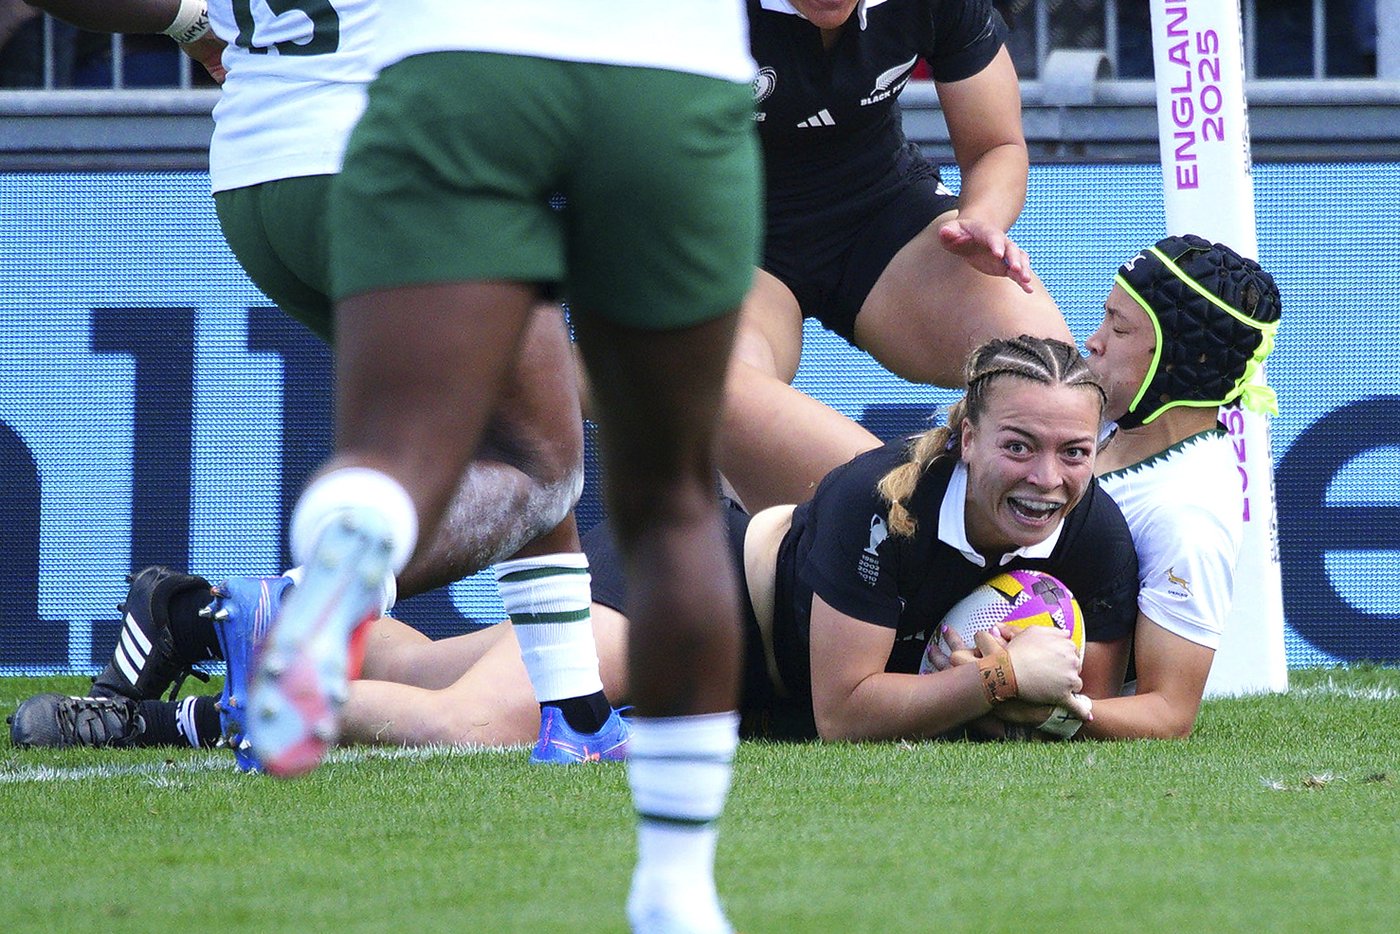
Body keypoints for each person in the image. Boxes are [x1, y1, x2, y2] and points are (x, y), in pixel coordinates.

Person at [235, 3, 761, 931]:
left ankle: (353, 558)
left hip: (454, 66)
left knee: (405, 451)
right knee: (672, 498)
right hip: (666, 62)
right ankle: (678, 890)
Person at [18, 0, 627, 769]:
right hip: (413, 156)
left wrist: (185, 21)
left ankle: (577, 716)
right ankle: (289, 611)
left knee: (507, 444)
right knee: (546, 466)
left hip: (263, 179)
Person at [27, 336, 1138, 754]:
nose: (1046, 479)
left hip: (730, 680)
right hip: (673, 600)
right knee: (471, 726)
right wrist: (996, 676)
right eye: (1019, 446)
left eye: (1072, 453)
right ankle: (181, 719)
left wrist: (1050, 702)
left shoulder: (1091, 523)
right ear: (962, 433)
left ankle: (200, 615)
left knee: (421, 661)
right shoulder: (875, 500)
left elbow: (1142, 707)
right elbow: (846, 715)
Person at [717, 0, 1072, 512]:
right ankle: (886, 526)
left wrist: (983, 219)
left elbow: (996, 145)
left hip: (883, 214)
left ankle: (1030, 568)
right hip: (730, 237)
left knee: (1043, 370)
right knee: (729, 386)